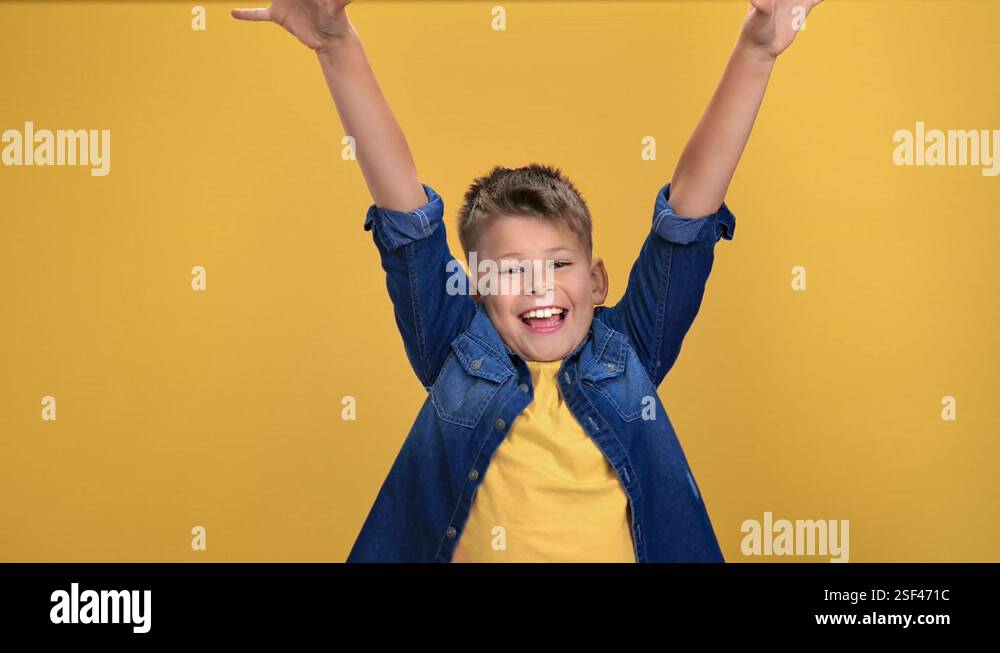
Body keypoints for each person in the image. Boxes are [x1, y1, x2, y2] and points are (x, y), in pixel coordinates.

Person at [232, 0, 824, 562]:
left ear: (597, 281)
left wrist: (756, 51)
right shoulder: (456, 352)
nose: (539, 286)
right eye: (512, 269)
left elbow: (690, 216)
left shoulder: (631, 354)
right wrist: (336, 46)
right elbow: (406, 219)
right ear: (477, 284)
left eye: (560, 263)